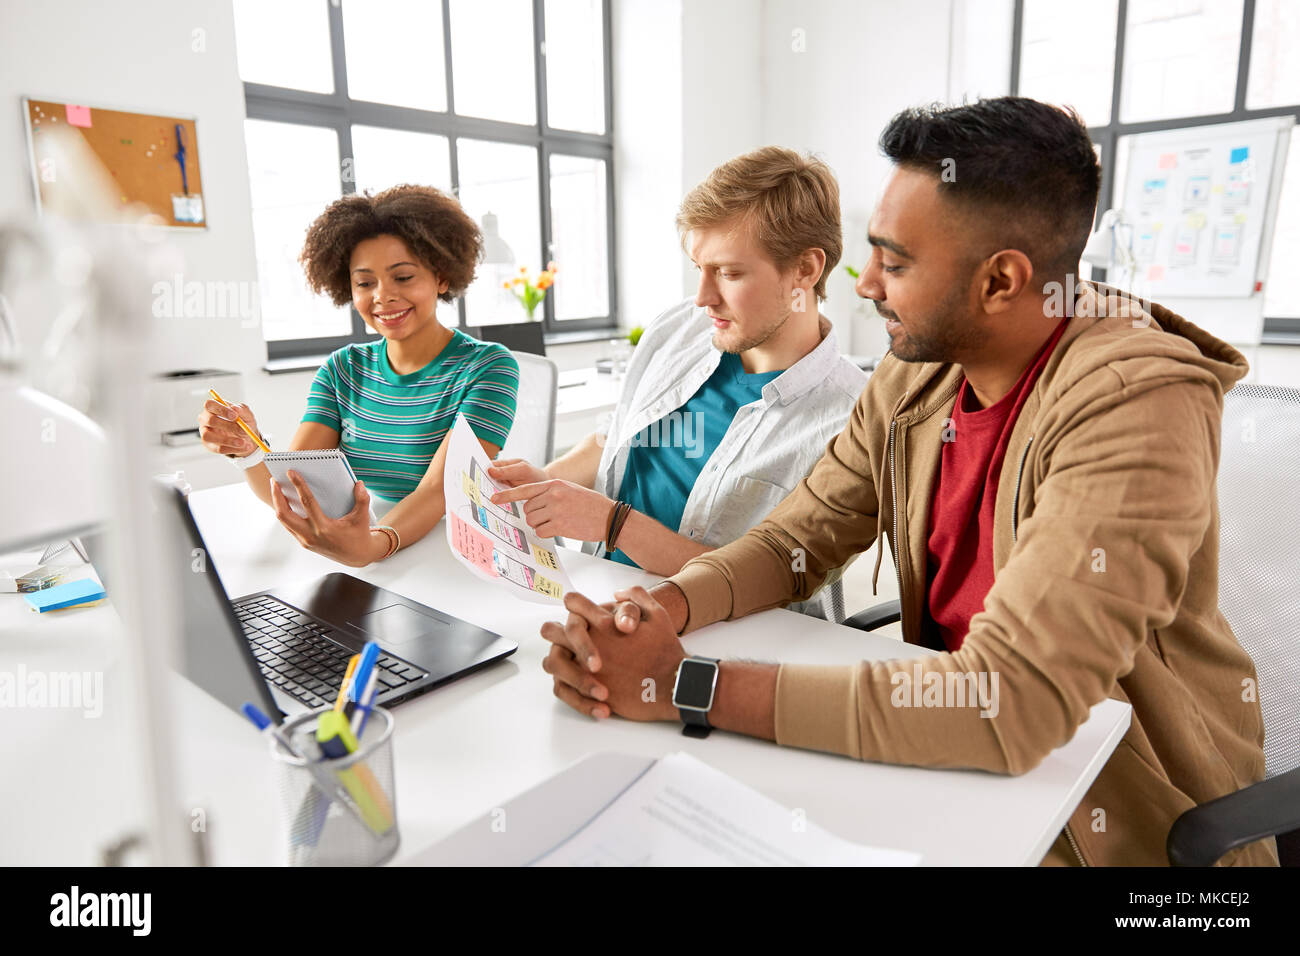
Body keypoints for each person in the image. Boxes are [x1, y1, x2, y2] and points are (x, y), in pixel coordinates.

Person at [538, 98, 1277, 867]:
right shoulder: (915, 374)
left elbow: (1005, 701)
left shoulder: (1135, 401)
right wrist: (658, 610)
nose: (864, 286)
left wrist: (684, 685)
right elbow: (797, 539)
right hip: (948, 768)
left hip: (1112, 813)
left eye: (894, 263)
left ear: (1000, 281)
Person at [488, 147, 867, 619]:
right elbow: (613, 440)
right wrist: (545, 484)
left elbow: (766, 583)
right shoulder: (678, 328)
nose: (704, 298)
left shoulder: (850, 419)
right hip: (602, 597)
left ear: (805, 270)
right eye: (699, 269)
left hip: (734, 639)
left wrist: (612, 523)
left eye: (729, 273)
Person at [197, 184, 519, 567]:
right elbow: (297, 487)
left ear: (442, 277)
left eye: (403, 277)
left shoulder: (488, 368)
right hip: (378, 549)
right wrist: (248, 449)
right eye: (365, 283)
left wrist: (373, 544)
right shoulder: (342, 370)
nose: (382, 296)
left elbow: (440, 490)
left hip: (459, 552)